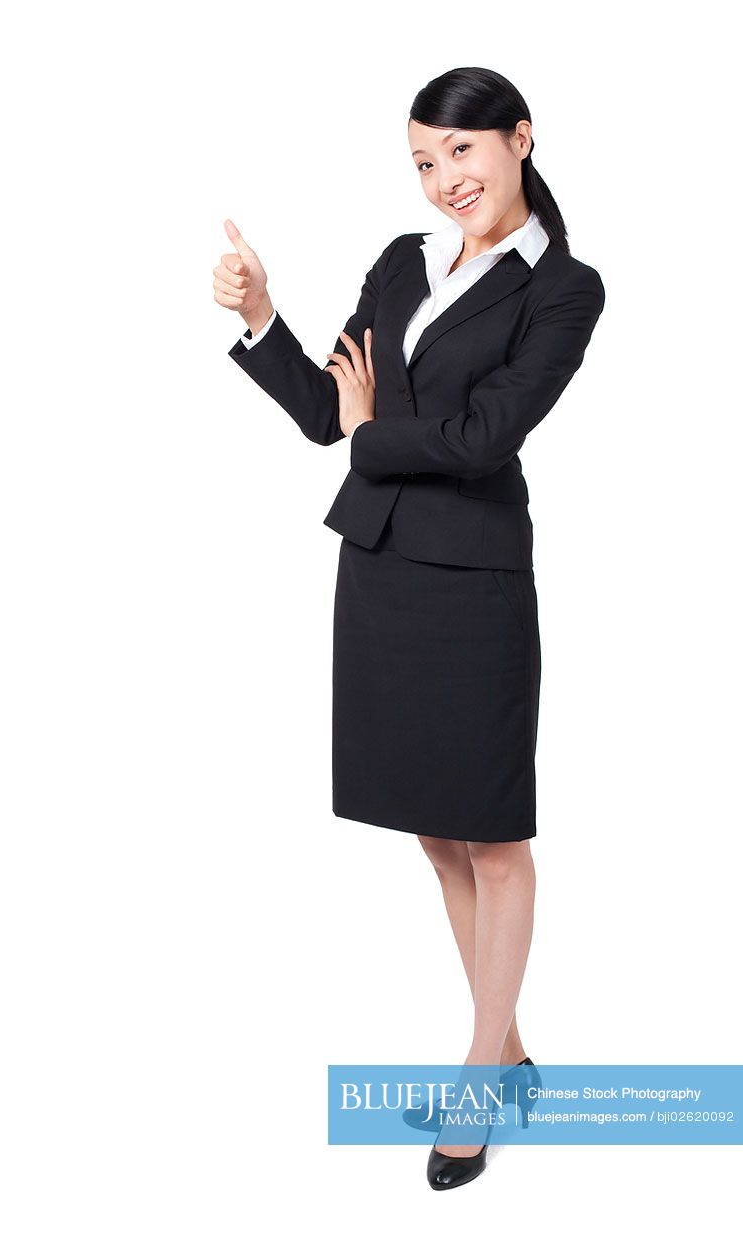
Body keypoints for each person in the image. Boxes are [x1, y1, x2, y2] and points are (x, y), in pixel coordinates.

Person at [215, 66, 605, 1190]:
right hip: (381, 571)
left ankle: (481, 1077)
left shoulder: (562, 289)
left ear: (519, 140)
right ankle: (512, 1045)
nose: (443, 181)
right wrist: (259, 317)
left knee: (493, 836)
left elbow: (485, 438)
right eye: (423, 163)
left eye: (461, 155)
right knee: (438, 833)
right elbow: (319, 412)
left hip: (473, 582)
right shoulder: (400, 263)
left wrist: (372, 424)